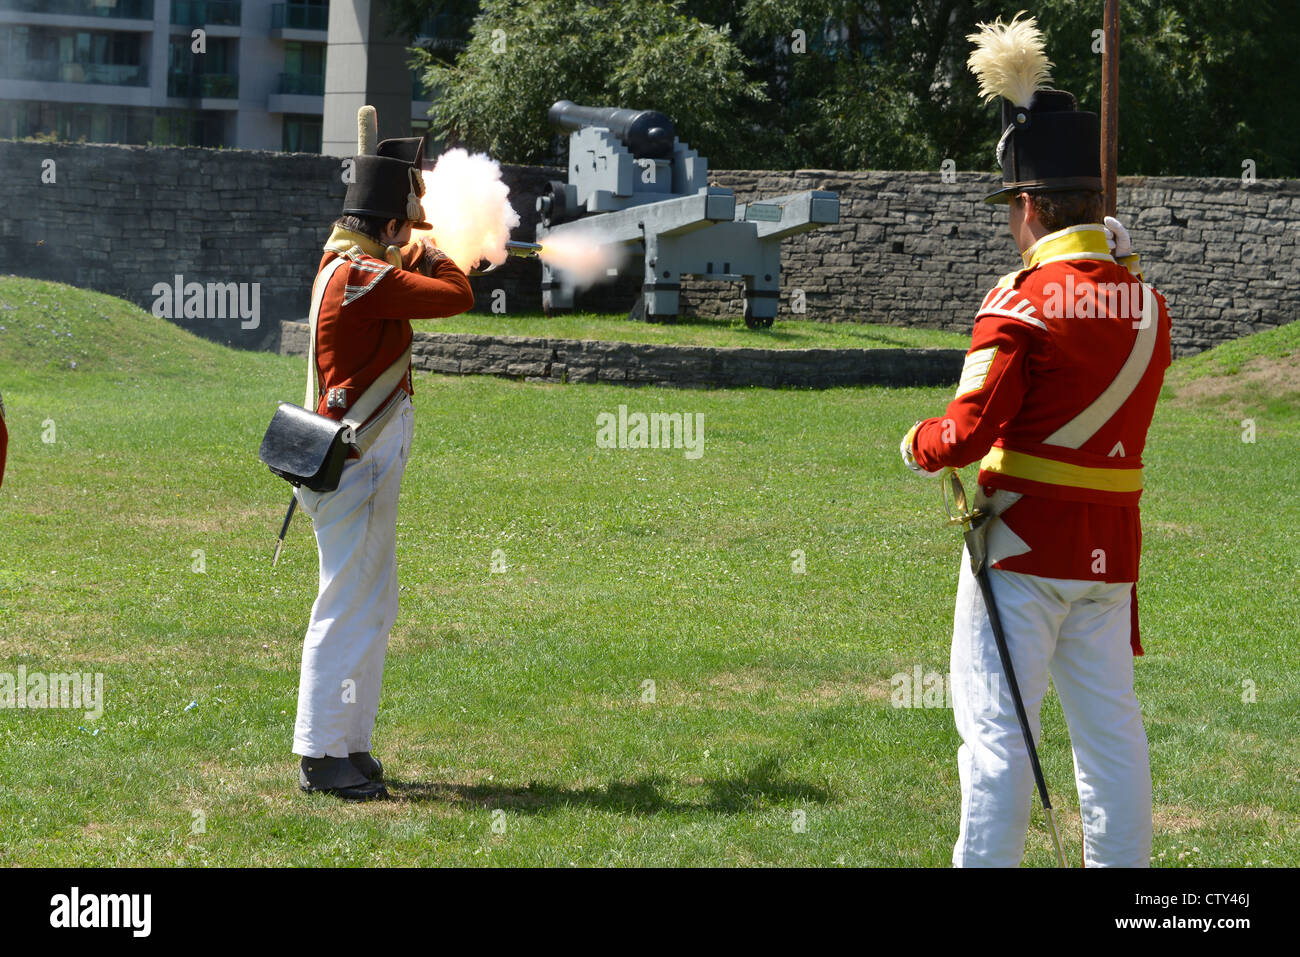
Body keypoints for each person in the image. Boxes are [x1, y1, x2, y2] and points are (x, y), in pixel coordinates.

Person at [899, 17, 1172, 866]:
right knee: (1113, 740)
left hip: (1020, 545)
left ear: (1027, 207)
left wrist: (917, 442)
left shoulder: (1018, 302)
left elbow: (965, 432)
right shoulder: (1148, 304)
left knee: (995, 736)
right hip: (1110, 556)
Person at [294, 106, 474, 800]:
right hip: (357, 461)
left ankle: (351, 742)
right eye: (408, 227)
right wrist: (425, 253)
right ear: (391, 227)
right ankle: (319, 754)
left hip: (357, 460)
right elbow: (456, 295)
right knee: (347, 603)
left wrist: (404, 244)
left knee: (372, 602)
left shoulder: (347, 264)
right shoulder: (367, 276)